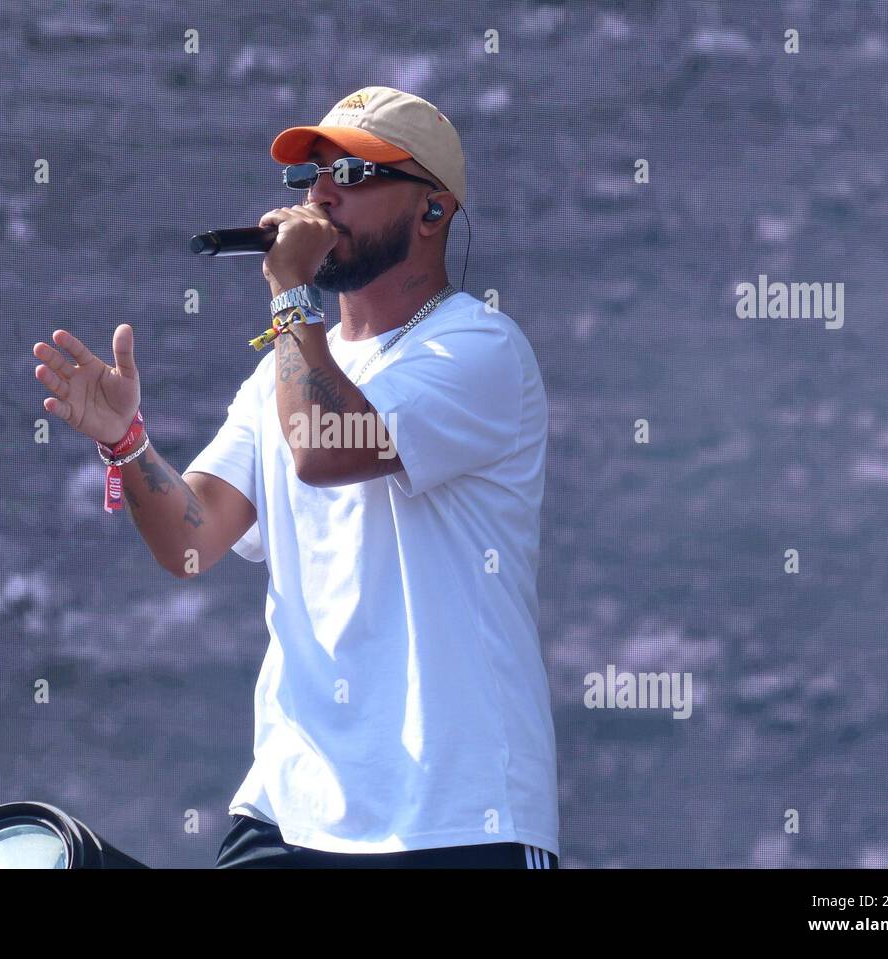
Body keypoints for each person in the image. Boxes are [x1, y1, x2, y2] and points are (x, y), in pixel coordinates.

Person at [33, 86, 558, 868]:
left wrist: (290, 293)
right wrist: (127, 443)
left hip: (452, 815)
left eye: (352, 174)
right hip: (288, 807)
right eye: (310, 177)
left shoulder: (479, 349)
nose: (320, 196)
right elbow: (191, 540)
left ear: (432, 211)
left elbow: (323, 446)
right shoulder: (281, 371)